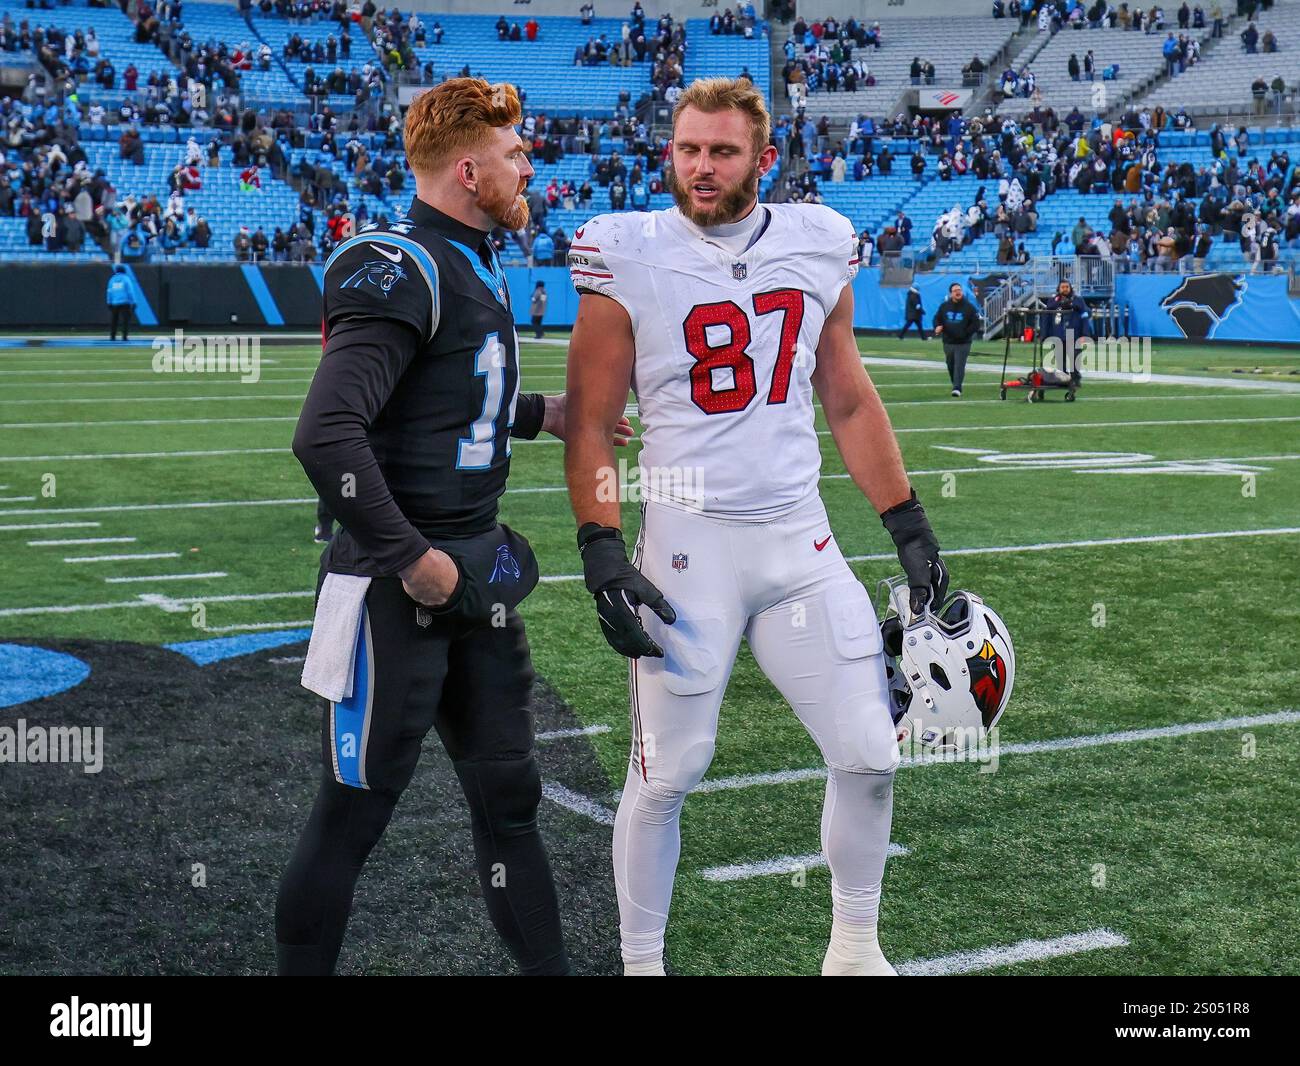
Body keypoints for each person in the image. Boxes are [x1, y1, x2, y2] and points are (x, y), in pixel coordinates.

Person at [562, 78, 949, 977]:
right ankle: (642, 966)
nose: (699, 167)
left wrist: (908, 524)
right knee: (668, 771)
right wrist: (600, 546)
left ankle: (854, 949)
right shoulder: (626, 251)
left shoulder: (817, 240)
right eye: (688, 148)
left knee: (868, 750)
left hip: (799, 541)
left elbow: (847, 396)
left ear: (762, 160)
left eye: (722, 151)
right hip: (689, 544)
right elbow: (590, 419)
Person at [277, 77, 632, 978]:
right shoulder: (402, 262)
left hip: (475, 577)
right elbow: (326, 434)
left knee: (511, 801)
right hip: (395, 586)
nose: (529, 166)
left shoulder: (471, 255)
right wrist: (413, 559)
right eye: (515, 155)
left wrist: (539, 411)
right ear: (470, 170)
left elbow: (446, 392)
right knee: (351, 815)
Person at [932, 282, 982, 397]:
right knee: (950, 364)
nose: (958, 292)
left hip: (963, 342)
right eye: (955, 291)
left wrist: (965, 333)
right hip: (948, 341)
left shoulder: (969, 307)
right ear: (951, 294)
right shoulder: (944, 306)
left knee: (959, 364)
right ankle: (955, 383)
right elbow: (937, 319)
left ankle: (957, 387)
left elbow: (975, 324)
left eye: (959, 290)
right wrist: (937, 326)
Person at [105, 264, 135, 342]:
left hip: (114, 303)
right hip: (125, 303)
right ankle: (124, 336)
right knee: (125, 320)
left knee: (114, 320)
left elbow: (109, 292)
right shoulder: (126, 279)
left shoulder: (112, 279)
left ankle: (112, 336)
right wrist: (133, 301)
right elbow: (130, 291)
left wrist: (109, 302)